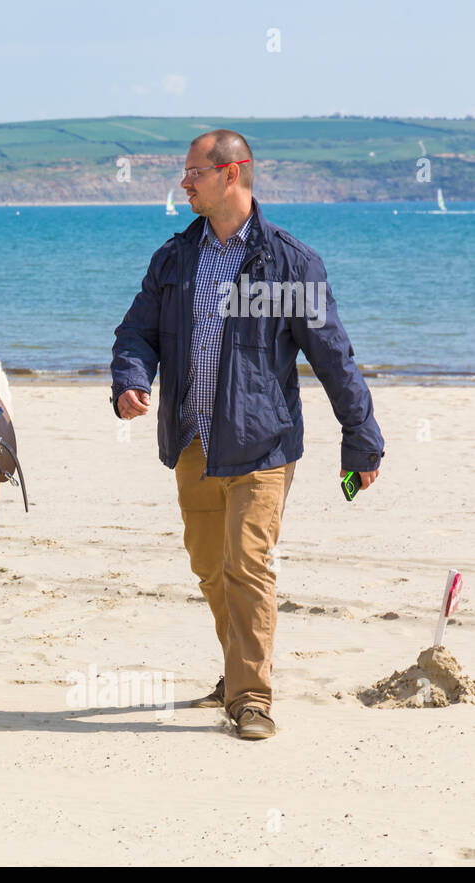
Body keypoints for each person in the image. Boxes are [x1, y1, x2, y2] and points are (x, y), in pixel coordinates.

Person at [110, 130, 385, 740]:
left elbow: (333, 356)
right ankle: (236, 673)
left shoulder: (290, 262)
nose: (184, 183)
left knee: (248, 565)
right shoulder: (175, 258)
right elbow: (136, 333)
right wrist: (130, 379)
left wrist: (360, 439)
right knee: (209, 565)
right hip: (192, 441)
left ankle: (251, 698)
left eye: (194, 174)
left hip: (262, 442)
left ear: (231, 174)